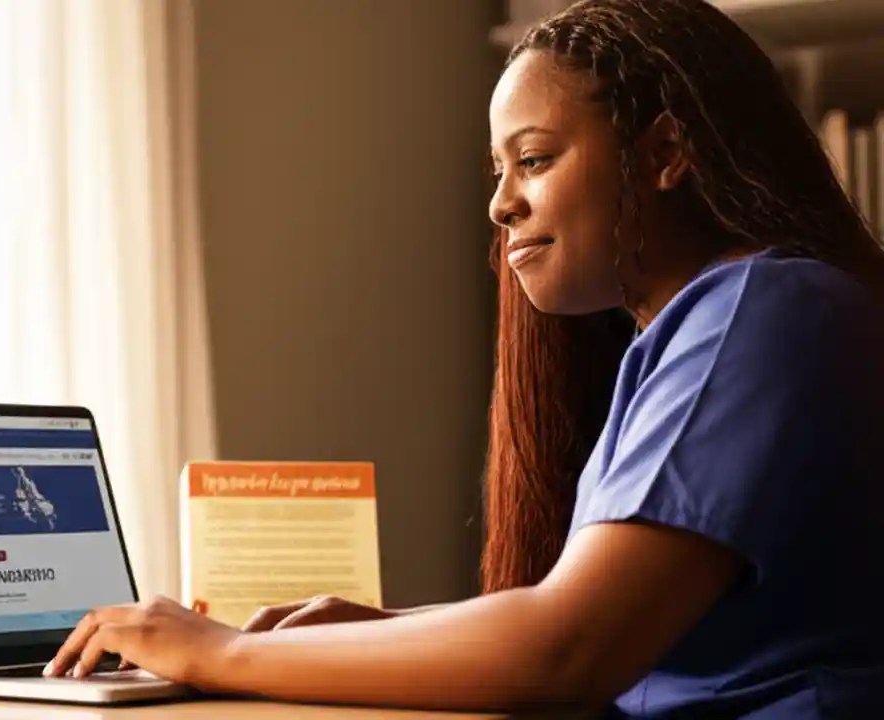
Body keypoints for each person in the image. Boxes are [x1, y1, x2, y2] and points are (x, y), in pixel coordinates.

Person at [44, 1, 884, 715]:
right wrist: (389, 627)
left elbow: (568, 647)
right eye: (497, 170)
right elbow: (615, 625)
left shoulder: (764, 311)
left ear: (666, 154)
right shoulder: (691, 335)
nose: (499, 203)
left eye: (534, 160)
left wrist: (214, 652)